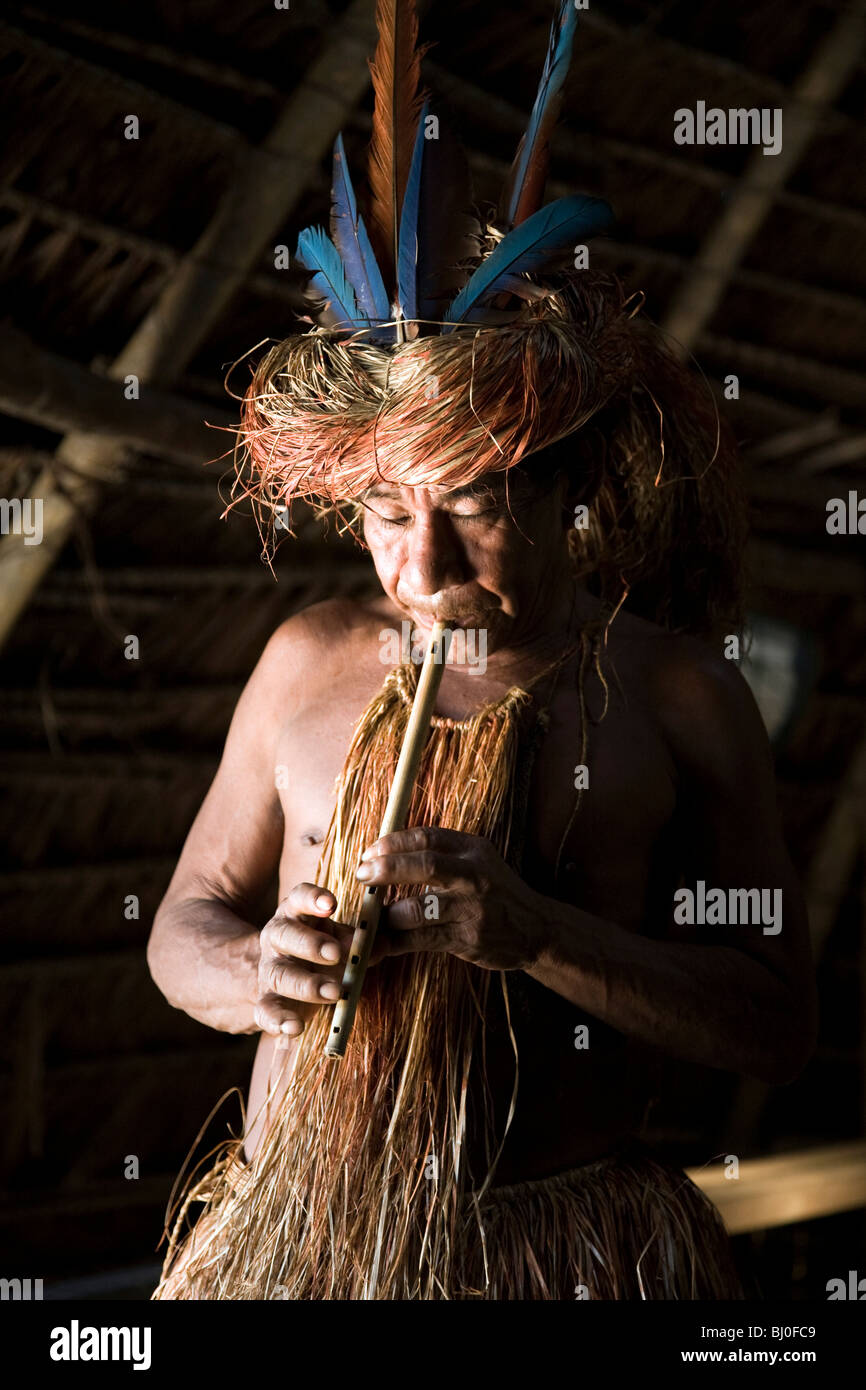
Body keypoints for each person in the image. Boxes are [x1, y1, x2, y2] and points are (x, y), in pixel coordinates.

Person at [146, 1, 818, 1299]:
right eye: (389, 518)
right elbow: (182, 925)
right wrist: (249, 969)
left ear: (571, 498)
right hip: (303, 1246)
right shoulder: (307, 655)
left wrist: (536, 936)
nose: (422, 569)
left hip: (559, 1256)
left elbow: (774, 1023)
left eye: (472, 515)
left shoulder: (675, 691)